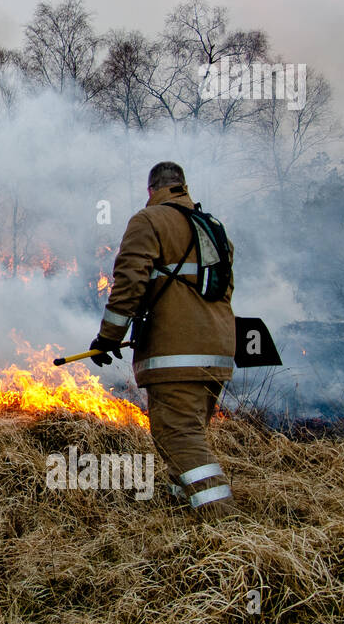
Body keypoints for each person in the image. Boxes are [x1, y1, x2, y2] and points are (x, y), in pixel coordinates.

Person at [89, 162, 236, 516]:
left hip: (176, 355)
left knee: (179, 439)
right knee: (187, 437)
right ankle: (182, 515)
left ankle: (227, 528)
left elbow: (128, 285)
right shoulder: (213, 228)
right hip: (217, 351)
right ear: (183, 187)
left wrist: (107, 338)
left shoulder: (148, 221)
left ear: (151, 191)